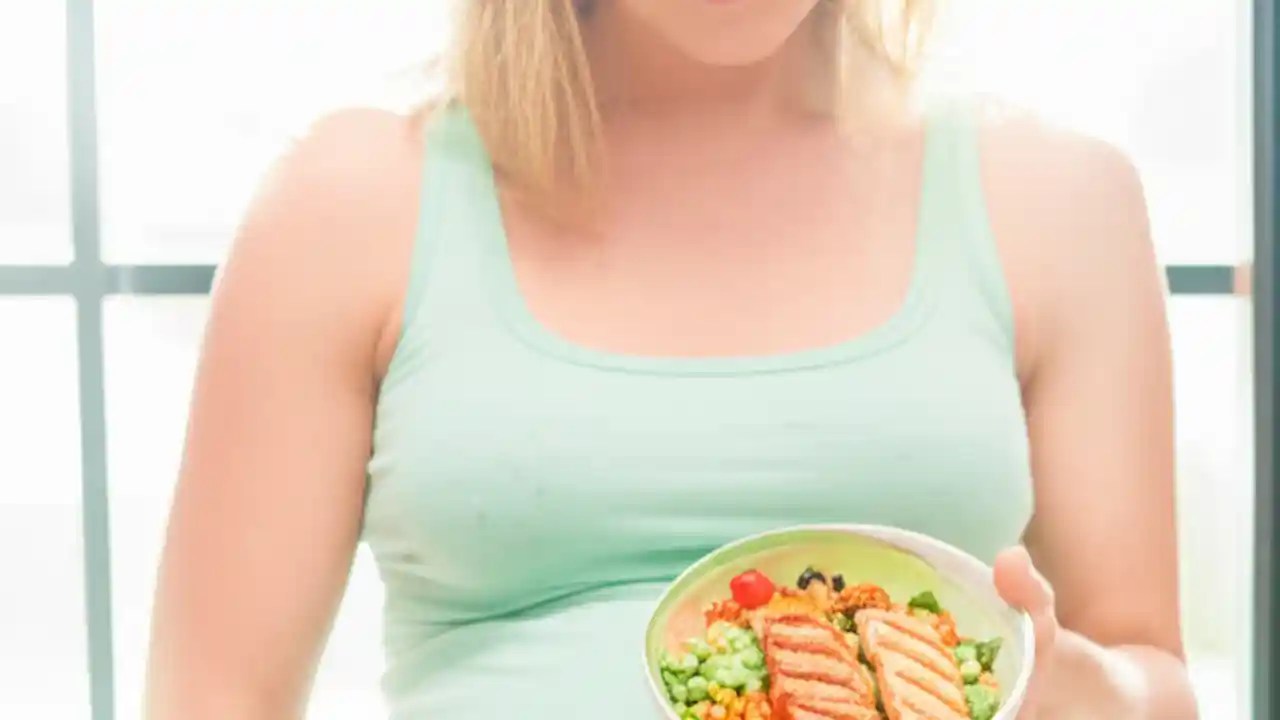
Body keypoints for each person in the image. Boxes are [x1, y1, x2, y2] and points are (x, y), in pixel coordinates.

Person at [144, 0, 1199, 717]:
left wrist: (1068, 689)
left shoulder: (1060, 203)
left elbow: (1150, 676)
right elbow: (213, 702)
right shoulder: (348, 205)